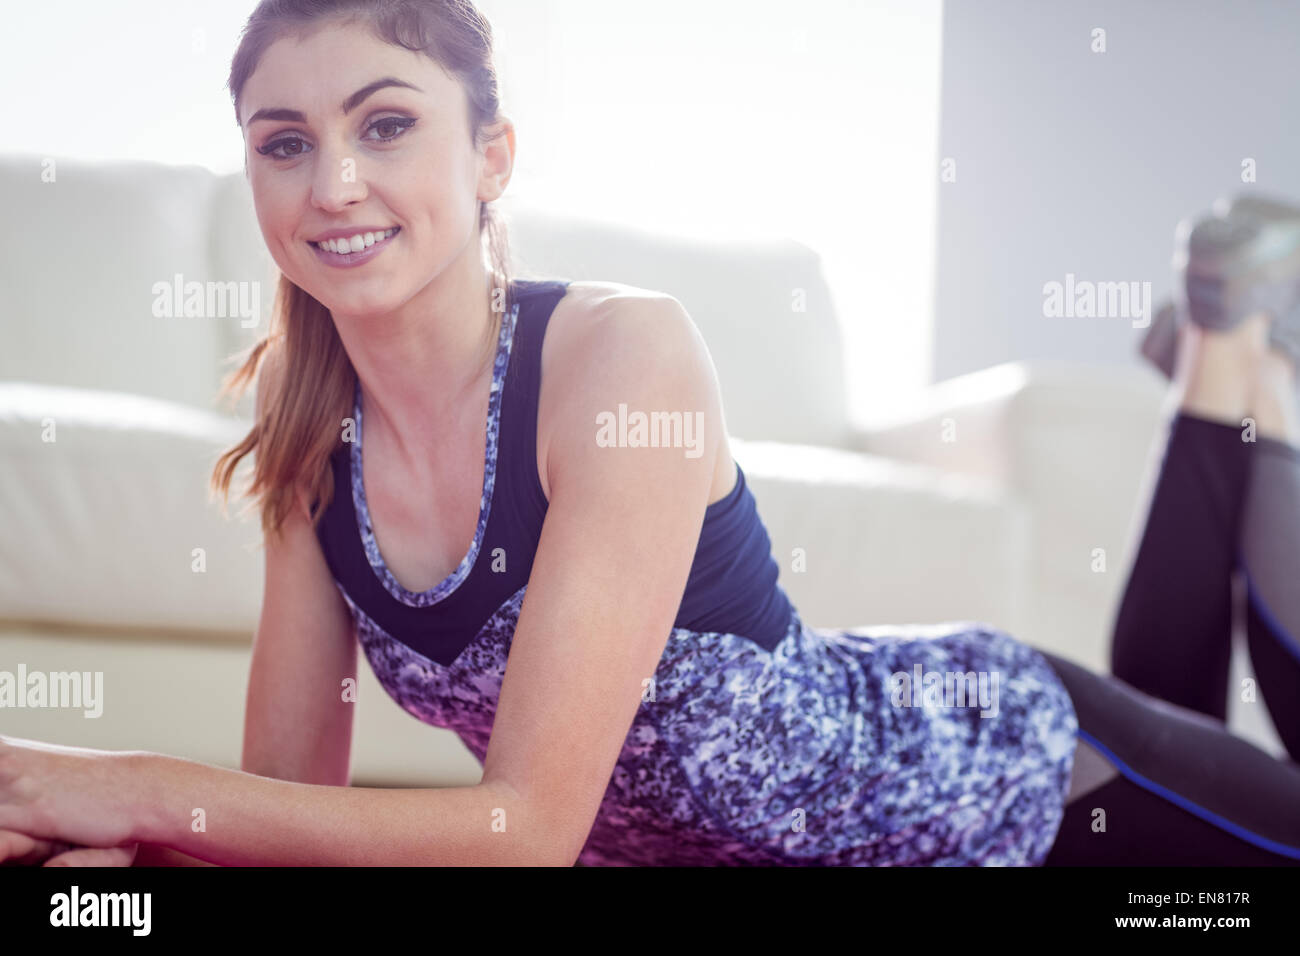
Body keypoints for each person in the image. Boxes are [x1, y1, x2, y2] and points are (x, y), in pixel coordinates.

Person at [1, 0, 1298, 867]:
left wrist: (110, 781)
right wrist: (112, 861)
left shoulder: (622, 354)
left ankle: (1249, 375)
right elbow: (277, 815)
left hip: (1005, 788)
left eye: (385, 124)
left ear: (492, 155)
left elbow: (525, 834)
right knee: (1192, 702)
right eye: (284, 143)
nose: (333, 182)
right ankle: (1228, 357)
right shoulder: (307, 447)